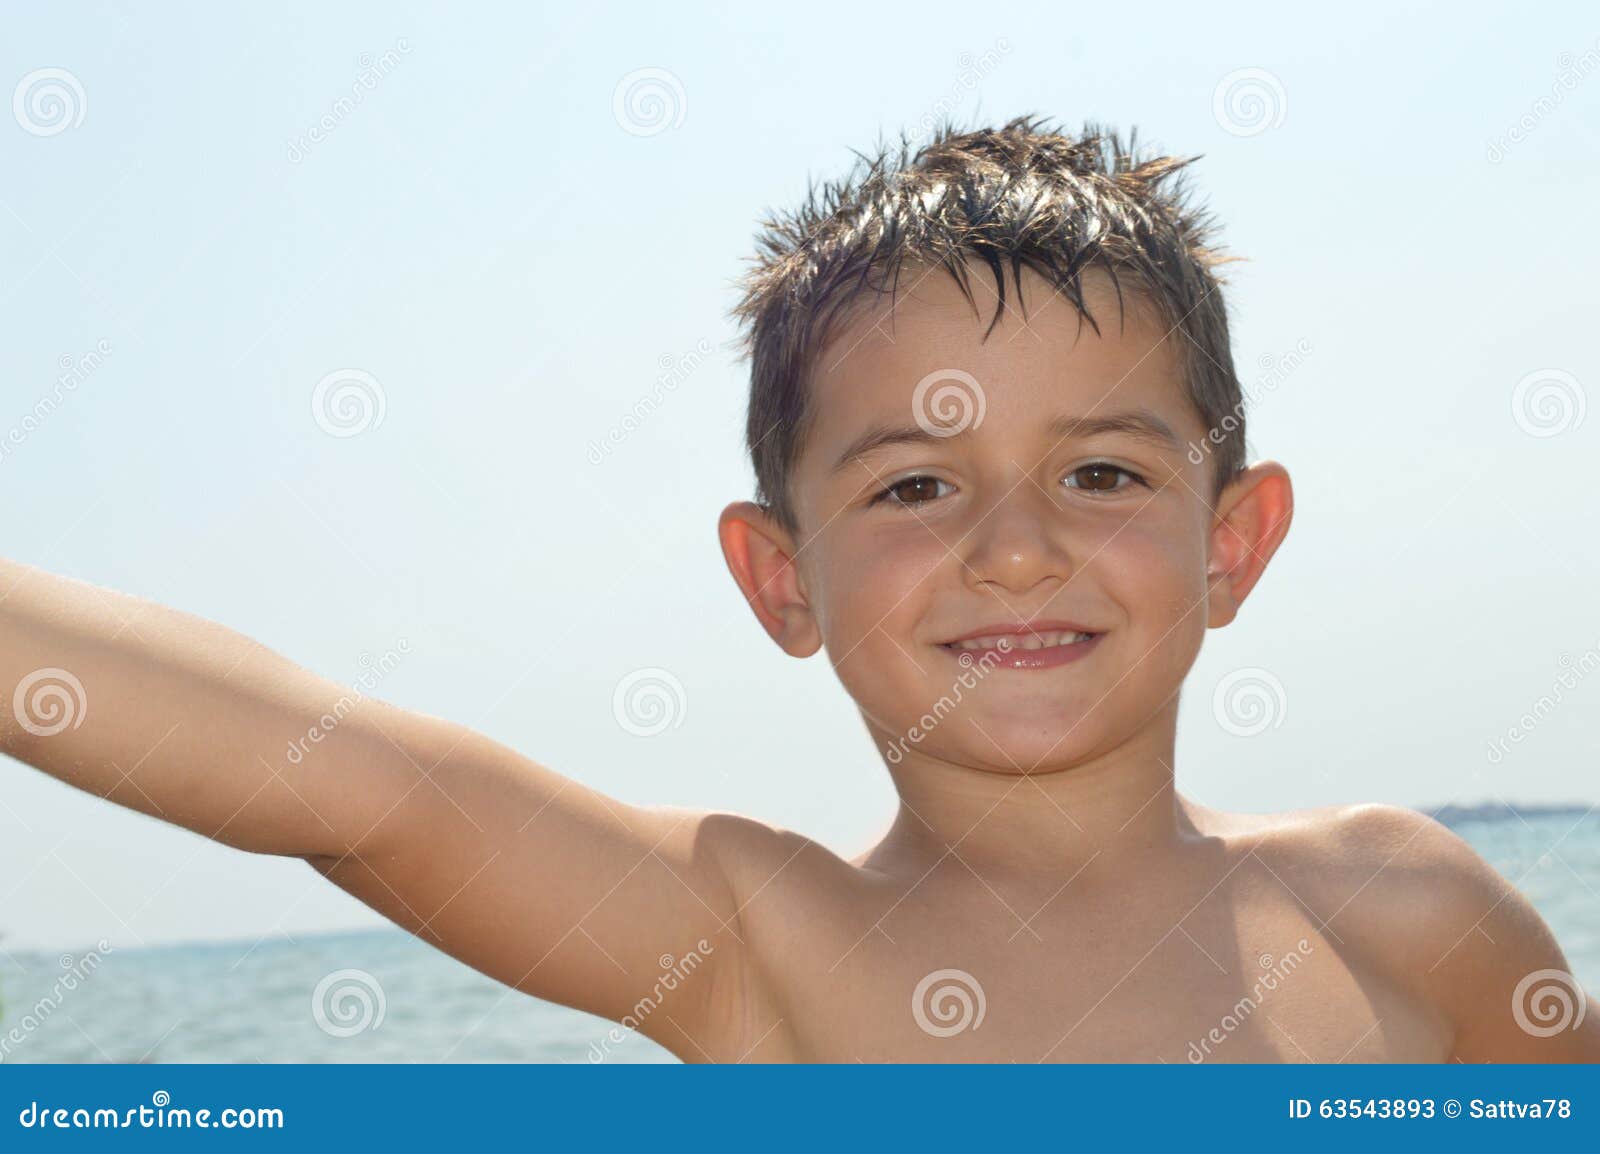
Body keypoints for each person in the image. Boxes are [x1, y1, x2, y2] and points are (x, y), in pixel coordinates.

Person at [4, 116, 1595, 1063]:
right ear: (782, 579)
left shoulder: (1410, 910)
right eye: (914, 486)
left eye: (1102, 471)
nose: (1016, 547)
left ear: (1232, 540)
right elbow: (353, 786)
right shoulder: (758, 942)